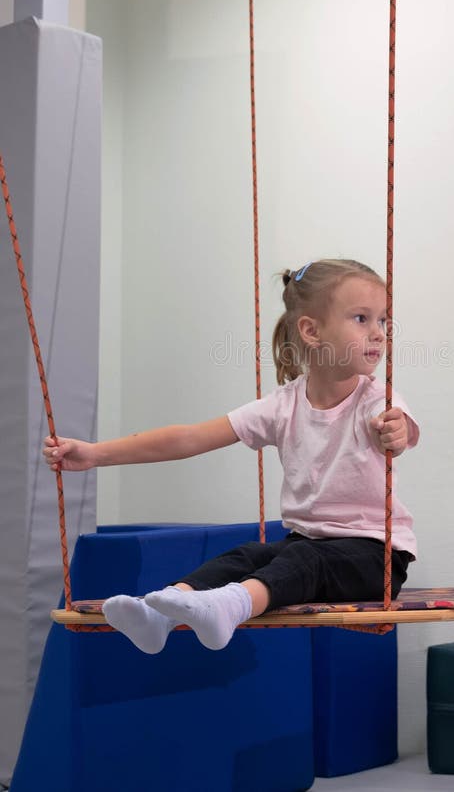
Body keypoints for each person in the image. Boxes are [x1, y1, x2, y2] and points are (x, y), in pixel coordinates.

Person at [43, 259, 419, 654]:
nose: (378, 334)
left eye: (383, 321)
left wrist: (396, 431)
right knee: (248, 554)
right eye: (362, 318)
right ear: (311, 330)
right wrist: (94, 454)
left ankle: (231, 605)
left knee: (305, 559)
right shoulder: (283, 404)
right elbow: (188, 438)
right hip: (306, 542)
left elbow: (399, 430)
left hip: (376, 558)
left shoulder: (376, 398)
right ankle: (161, 613)